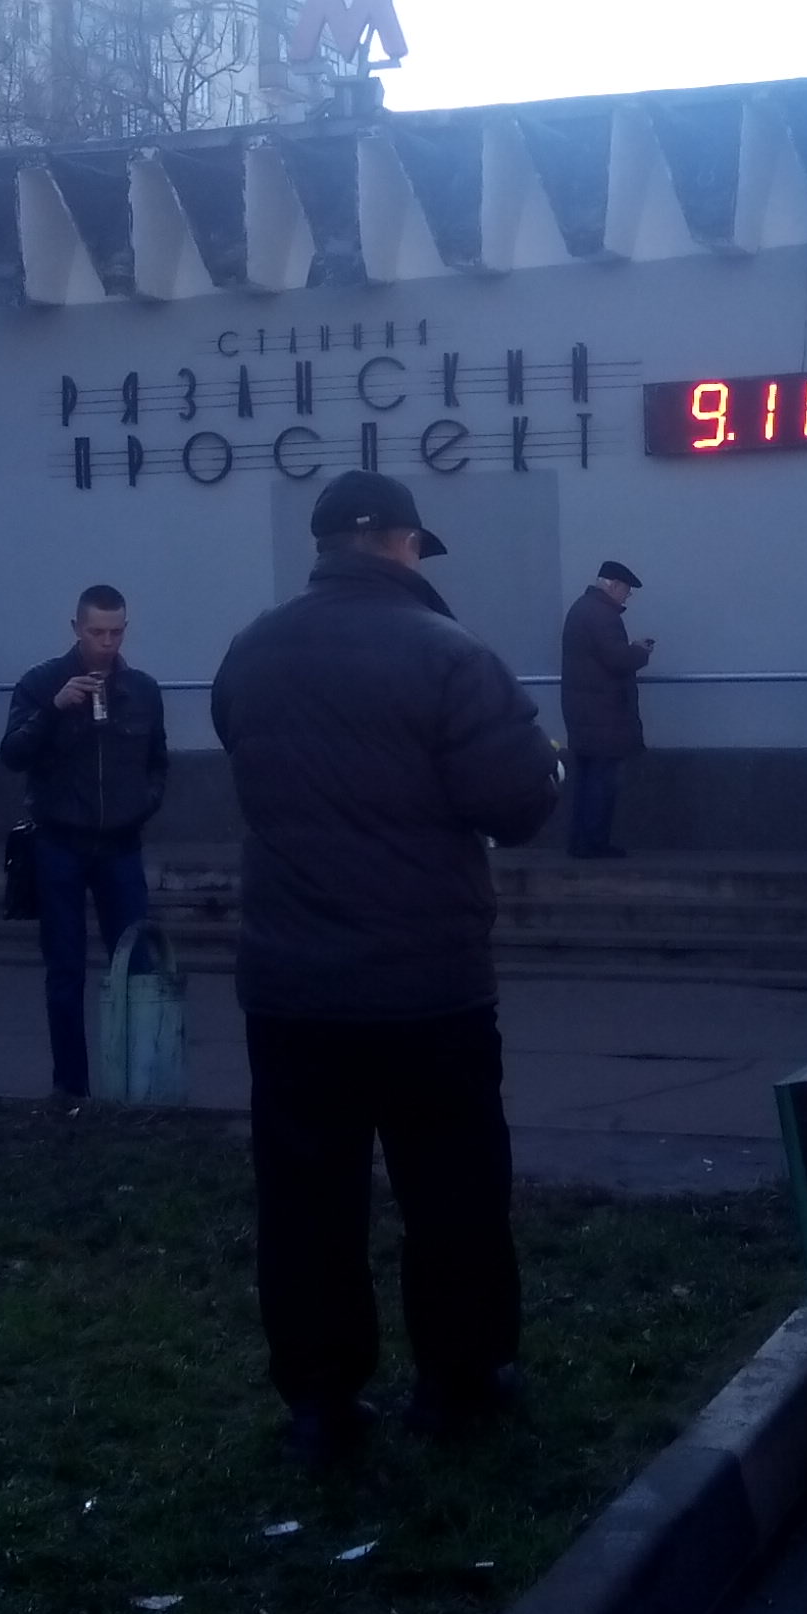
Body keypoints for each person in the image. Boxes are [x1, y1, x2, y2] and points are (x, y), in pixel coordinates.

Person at [210, 469, 561, 1468]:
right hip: (426, 985)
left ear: (325, 548)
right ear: (402, 545)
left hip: (291, 988)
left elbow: (247, 756)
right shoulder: (449, 654)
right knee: (452, 1192)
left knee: (305, 1202)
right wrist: (553, 765)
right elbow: (517, 802)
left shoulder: (252, 652)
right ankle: (458, 1381)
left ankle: (320, 1402)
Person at [1, 583, 168, 1097]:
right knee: (66, 971)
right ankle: (70, 1088)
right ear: (75, 628)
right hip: (60, 845)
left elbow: (158, 761)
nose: (107, 642)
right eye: (96, 632)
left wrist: (143, 803)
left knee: (139, 968)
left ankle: (140, 1088)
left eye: (116, 632)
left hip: (121, 845)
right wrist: (53, 709)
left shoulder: (140, 688)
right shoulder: (41, 682)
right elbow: (12, 755)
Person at [557, 561, 652, 859]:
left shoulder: (583, 609)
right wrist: (639, 650)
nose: (627, 597)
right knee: (601, 782)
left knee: (587, 780)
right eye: (626, 590)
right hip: (603, 715)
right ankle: (594, 844)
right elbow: (616, 659)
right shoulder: (603, 615)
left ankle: (580, 843)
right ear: (612, 585)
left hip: (585, 713)